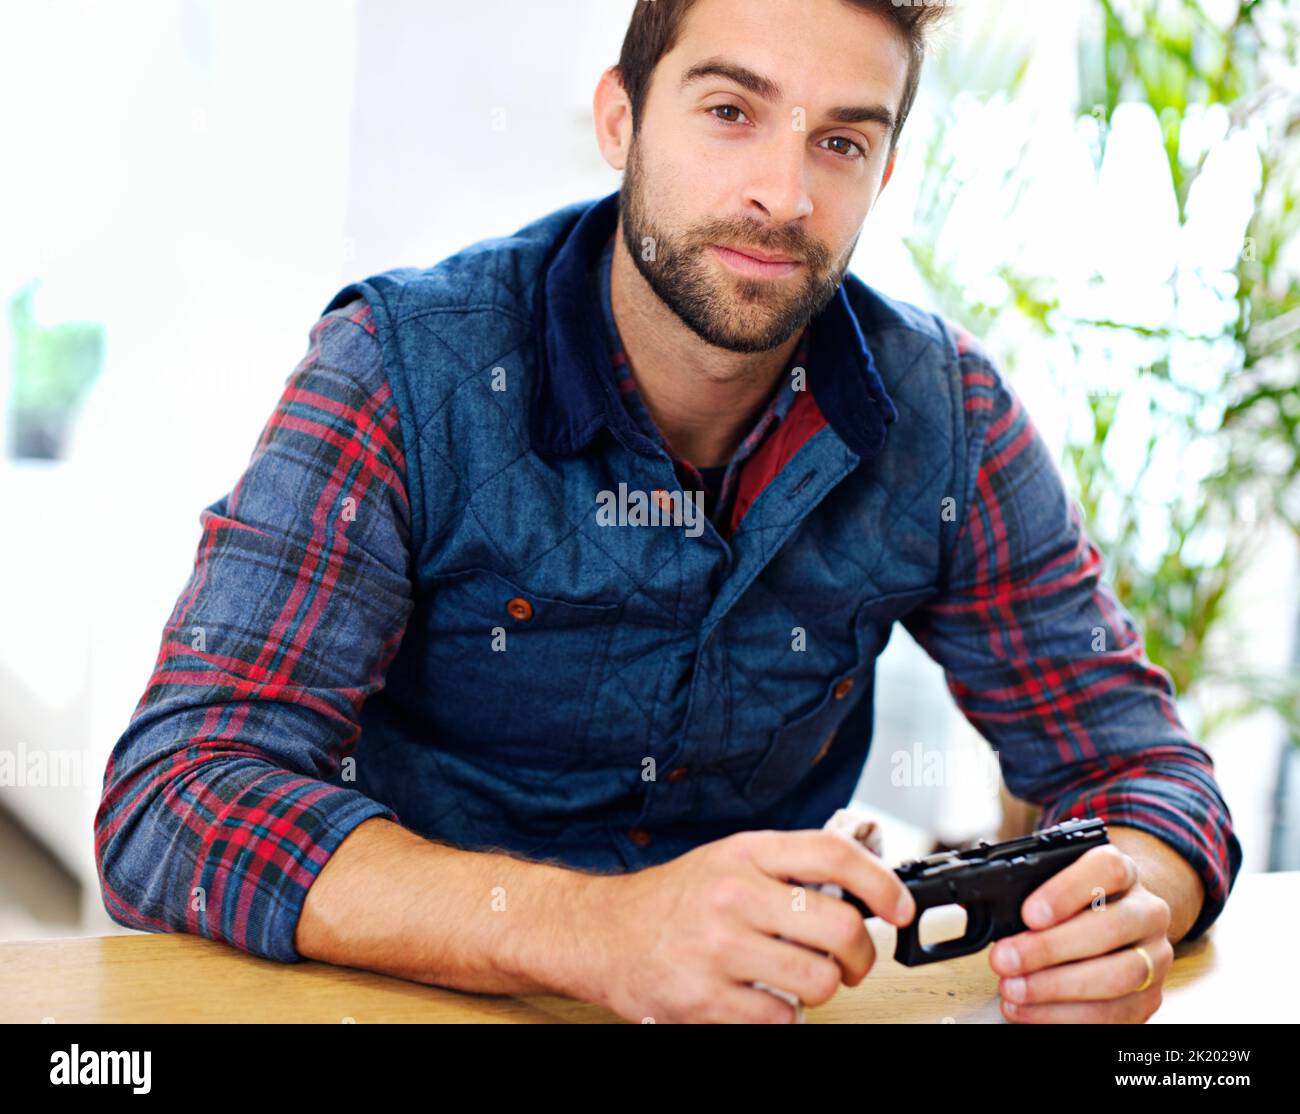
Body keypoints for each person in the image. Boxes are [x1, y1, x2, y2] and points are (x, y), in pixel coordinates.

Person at [95, 0, 1241, 1023]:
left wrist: (1133, 894)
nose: (784, 195)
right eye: (731, 110)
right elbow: (176, 795)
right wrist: (604, 932)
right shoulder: (399, 371)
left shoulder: (948, 414)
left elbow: (1147, 770)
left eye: (841, 140)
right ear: (619, 120)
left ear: (883, 175)